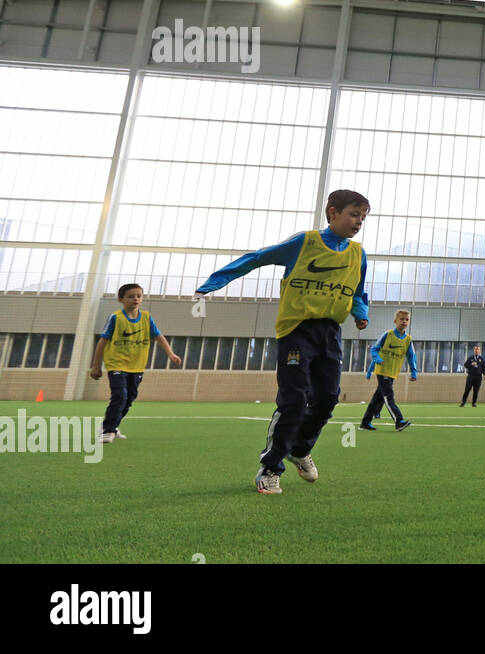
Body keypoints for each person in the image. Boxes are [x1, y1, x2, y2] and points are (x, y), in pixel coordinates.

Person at [196, 189, 370, 495]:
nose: (359, 222)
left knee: (328, 399)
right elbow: (257, 258)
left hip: (330, 333)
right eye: (354, 215)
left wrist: (360, 313)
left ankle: (300, 449)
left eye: (363, 217)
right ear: (332, 213)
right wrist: (211, 285)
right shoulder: (304, 243)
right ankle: (270, 468)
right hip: (297, 330)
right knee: (293, 400)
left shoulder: (358, 254)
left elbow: (358, 291)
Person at [88, 283, 183, 443]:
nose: (135, 299)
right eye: (131, 296)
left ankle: (112, 424)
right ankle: (108, 430)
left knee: (130, 397)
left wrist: (171, 353)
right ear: (121, 299)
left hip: (137, 366)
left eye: (139, 296)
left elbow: (159, 336)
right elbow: (102, 342)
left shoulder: (146, 317)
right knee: (120, 395)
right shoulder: (116, 318)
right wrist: (96, 365)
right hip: (117, 364)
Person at [360, 309, 416, 432]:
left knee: (377, 399)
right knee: (388, 397)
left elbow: (411, 356)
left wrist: (414, 371)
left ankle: (365, 422)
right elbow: (374, 349)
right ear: (395, 321)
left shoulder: (408, 340)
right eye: (402, 319)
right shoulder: (388, 334)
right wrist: (377, 359)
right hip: (382, 371)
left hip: (392, 373)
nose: (404, 321)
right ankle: (399, 420)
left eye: (407, 320)